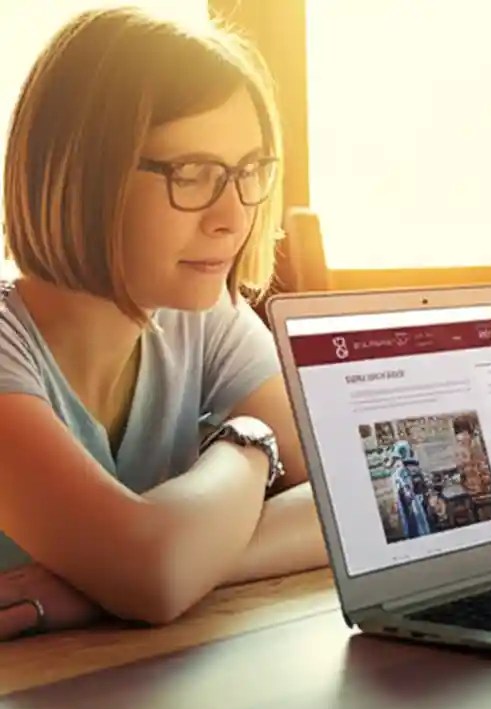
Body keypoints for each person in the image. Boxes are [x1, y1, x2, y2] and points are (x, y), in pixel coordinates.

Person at [0, 7, 328, 641]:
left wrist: (123, 581)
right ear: (83, 174)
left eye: (249, 172)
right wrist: (250, 443)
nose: (233, 217)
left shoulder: (201, 317)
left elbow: (352, 501)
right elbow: (150, 575)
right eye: (193, 174)